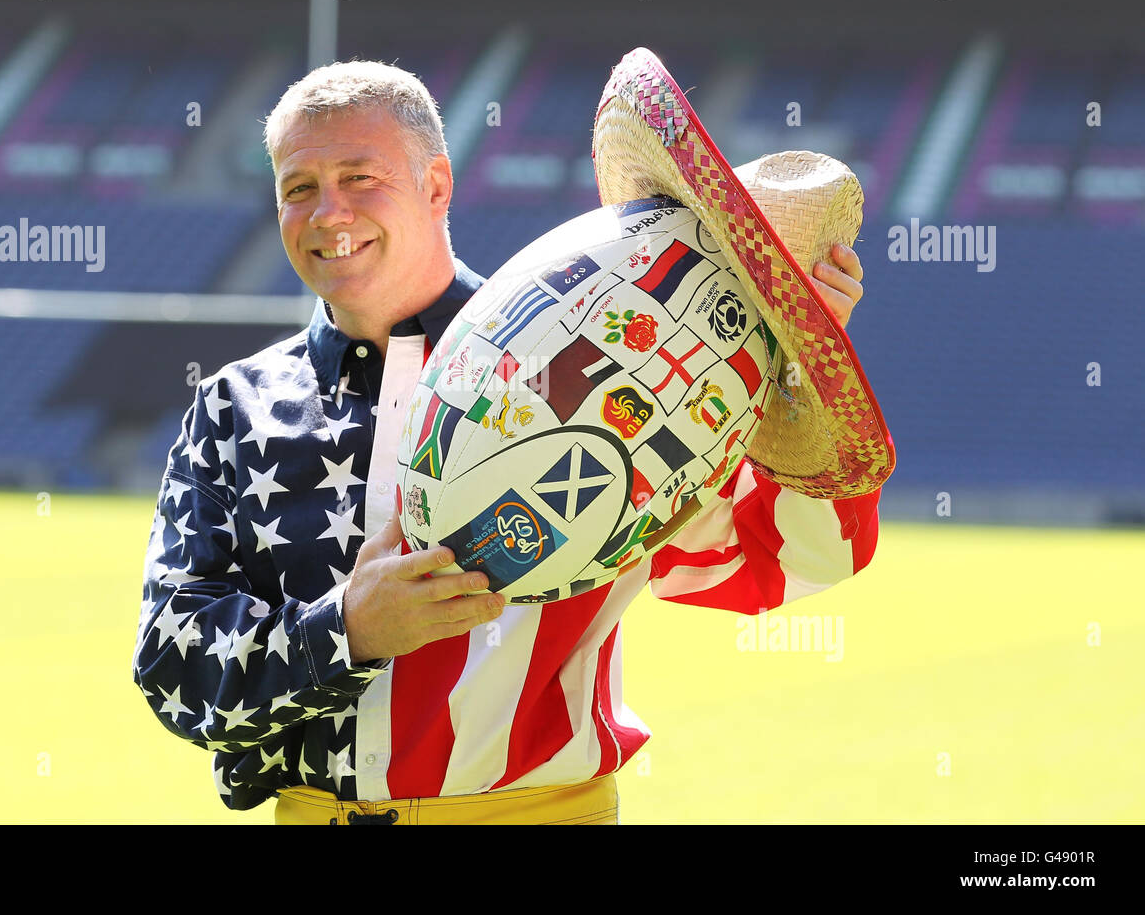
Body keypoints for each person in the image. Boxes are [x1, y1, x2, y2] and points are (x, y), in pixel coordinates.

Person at [131, 58, 881, 825]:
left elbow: (788, 558)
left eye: (360, 177)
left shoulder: (603, 353)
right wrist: (347, 629)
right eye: (299, 188)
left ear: (436, 186)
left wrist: (801, 365)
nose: (328, 213)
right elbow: (171, 668)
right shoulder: (233, 405)